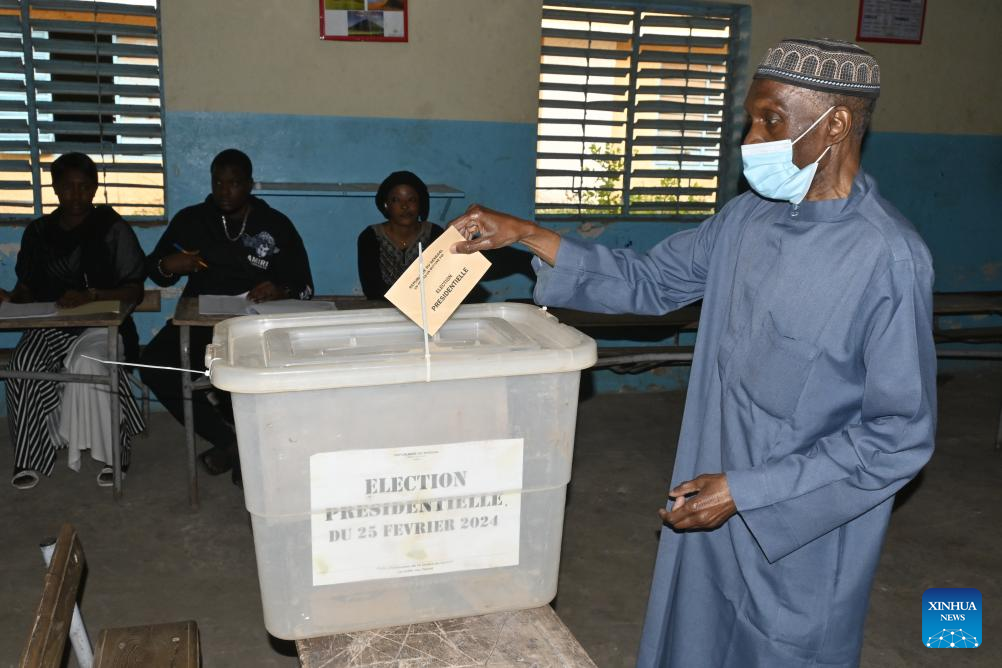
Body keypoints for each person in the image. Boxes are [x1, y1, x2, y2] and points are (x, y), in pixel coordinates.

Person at [449, 39, 935, 667]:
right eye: (749, 121)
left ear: (836, 125)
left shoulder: (887, 259)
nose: (750, 140)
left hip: (799, 529)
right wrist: (528, 235)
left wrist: (750, 490)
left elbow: (897, 436)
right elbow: (650, 281)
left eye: (771, 121)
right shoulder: (746, 221)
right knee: (697, 641)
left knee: (777, 650)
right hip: (710, 497)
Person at [141, 149, 314, 486]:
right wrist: (168, 265)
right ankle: (231, 443)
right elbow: (157, 271)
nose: (224, 191)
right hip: (200, 320)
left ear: (249, 185)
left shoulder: (274, 225)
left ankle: (247, 448)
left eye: (233, 184)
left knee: (247, 376)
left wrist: (280, 289)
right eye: (218, 182)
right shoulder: (192, 220)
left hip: (252, 325)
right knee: (154, 365)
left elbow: (306, 287)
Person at [1, 152, 146, 489]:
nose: (76, 195)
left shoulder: (112, 228)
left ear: (95, 189)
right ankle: (31, 456)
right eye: (68, 188)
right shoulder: (39, 232)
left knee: (90, 364)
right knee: (24, 362)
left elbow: (134, 290)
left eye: (84, 187)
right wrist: (10, 300)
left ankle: (115, 453)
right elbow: (27, 288)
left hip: (104, 324)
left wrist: (91, 296)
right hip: (52, 325)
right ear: (55, 189)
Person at [357, 170, 445, 300]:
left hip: (427, 310)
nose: (405, 206)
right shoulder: (370, 237)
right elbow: (372, 289)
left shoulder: (434, 234)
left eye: (412, 199)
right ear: (386, 205)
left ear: (420, 204)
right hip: (382, 311)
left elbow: (441, 282)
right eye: (396, 200)